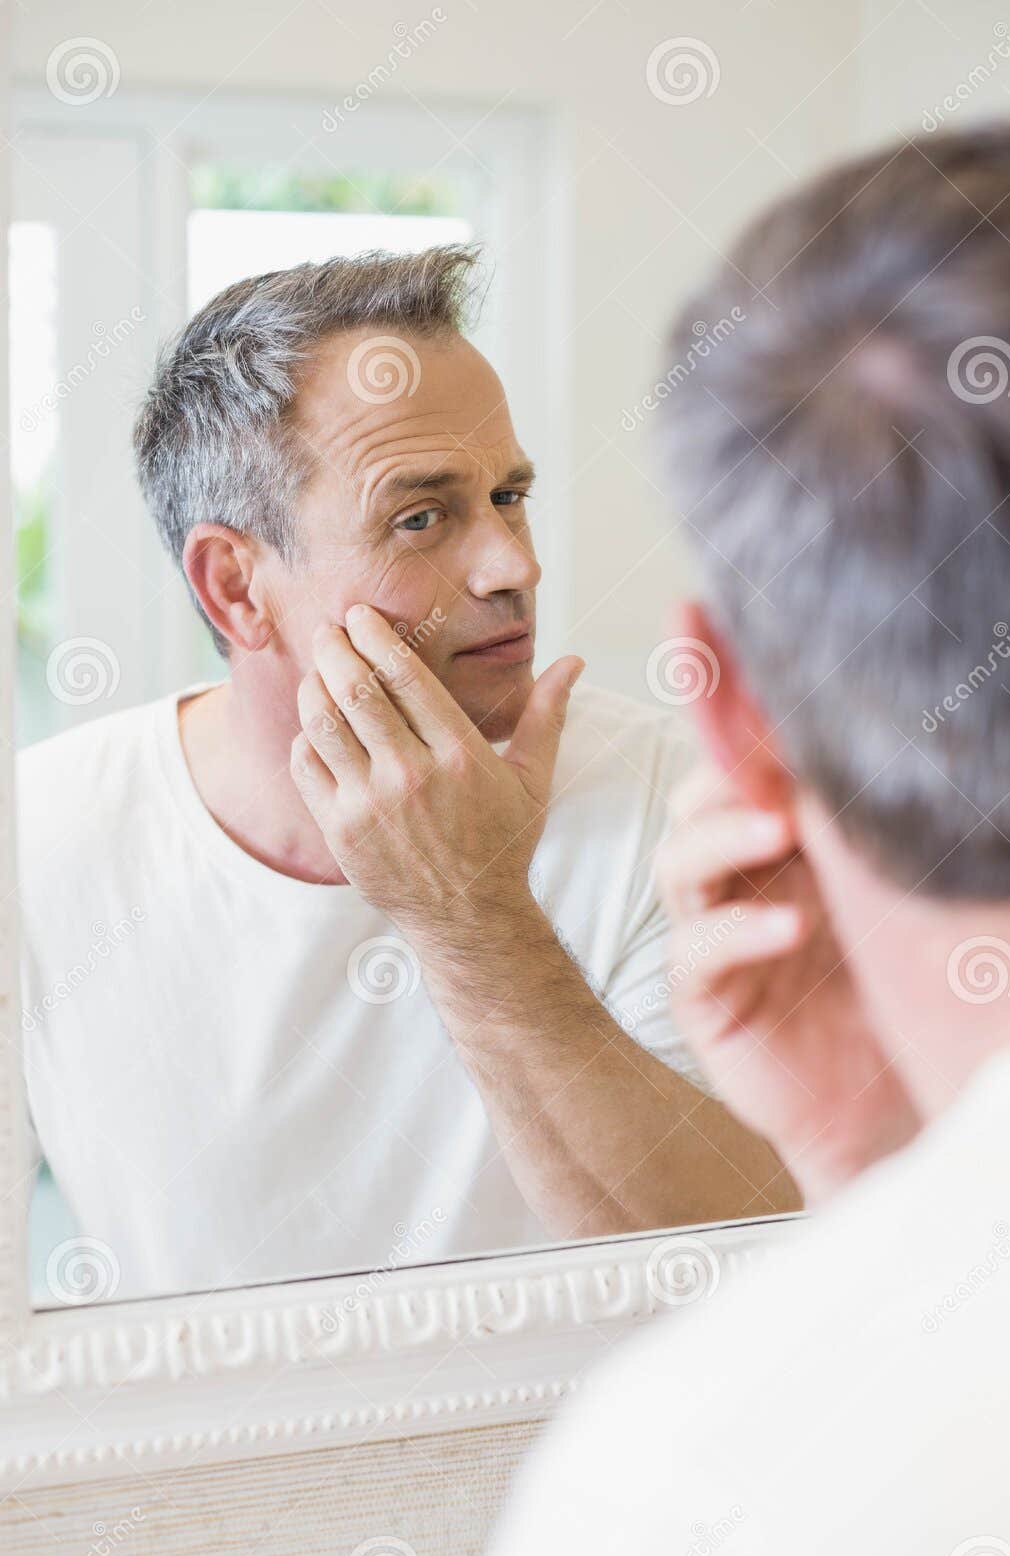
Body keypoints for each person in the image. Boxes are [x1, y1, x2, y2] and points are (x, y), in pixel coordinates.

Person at [480, 122, 1010, 1556]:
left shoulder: (681, 1510)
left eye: (508, 498)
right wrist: (889, 1176)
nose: (502, 570)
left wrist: (885, 1231)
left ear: (727, 708)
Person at [17, 247, 797, 1300]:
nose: (513, 564)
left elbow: (743, 1278)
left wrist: (472, 915)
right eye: (420, 517)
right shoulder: (39, 840)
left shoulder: (673, 800)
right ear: (236, 586)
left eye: (508, 495)